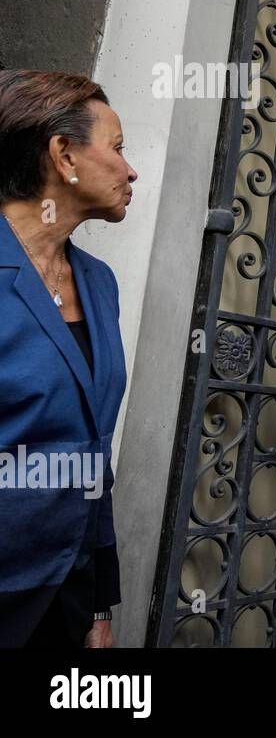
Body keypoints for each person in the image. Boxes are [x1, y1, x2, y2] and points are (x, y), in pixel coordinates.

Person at [0, 70, 138, 648]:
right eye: (117, 147)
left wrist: (98, 602)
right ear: (64, 155)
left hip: (67, 598)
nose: (131, 170)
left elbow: (93, 451)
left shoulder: (99, 282)